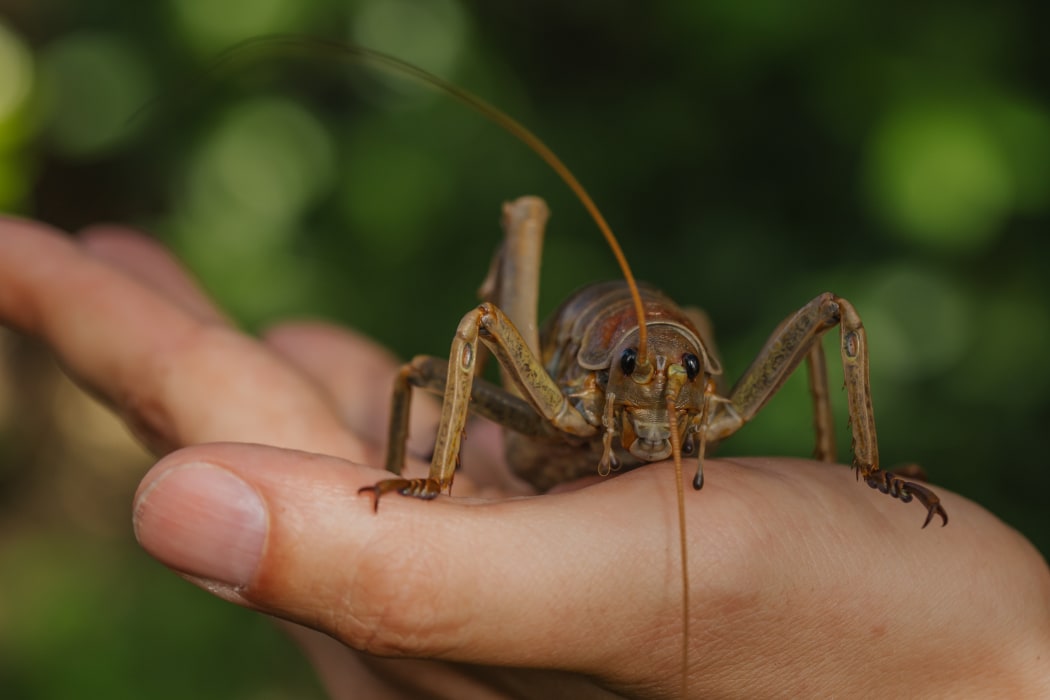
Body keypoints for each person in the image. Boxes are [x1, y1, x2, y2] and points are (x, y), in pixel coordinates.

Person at [1, 214, 1047, 698]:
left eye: (685, 383)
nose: (671, 399)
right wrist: (430, 478)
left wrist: (852, 479)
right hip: (557, 414)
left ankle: (853, 456)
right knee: (444, 346)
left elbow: (833, 322)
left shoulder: (701, 389)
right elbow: (458, 346)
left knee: (832, 310)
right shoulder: (580, 387)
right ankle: (439, 468)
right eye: (656, 378)